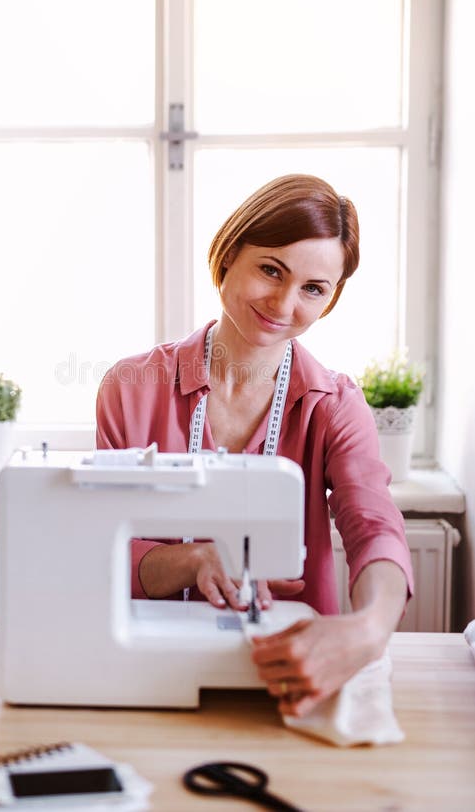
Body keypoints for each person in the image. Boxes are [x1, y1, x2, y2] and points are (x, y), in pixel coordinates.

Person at [96, 173, 413, 718]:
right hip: (147, 670)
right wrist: (197, 559)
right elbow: (100, 553)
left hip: (287, 674)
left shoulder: (333, 405)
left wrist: (368, 628)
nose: (284, 304)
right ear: (227, 256)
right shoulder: (130, 389)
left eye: (313, 289)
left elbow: (374, 526)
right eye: (271, 269)